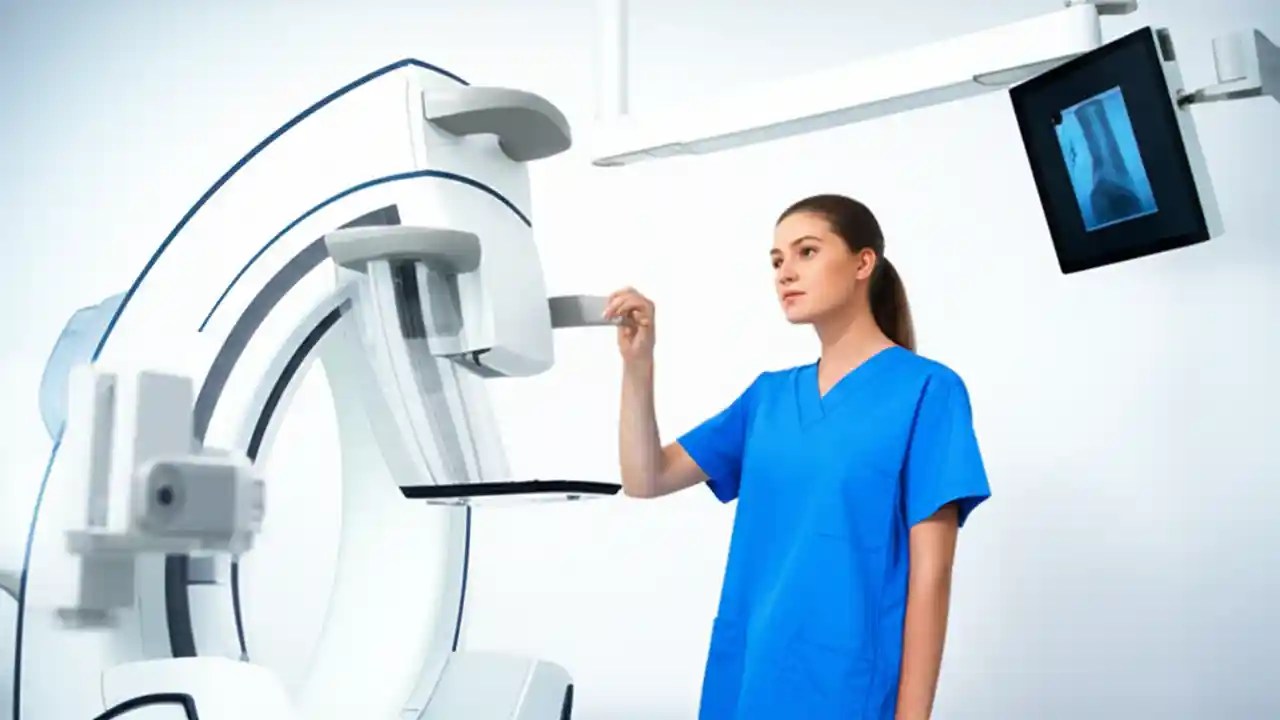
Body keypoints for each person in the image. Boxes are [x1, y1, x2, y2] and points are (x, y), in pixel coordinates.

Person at [604, 193, 991, 720]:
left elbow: (932, 575)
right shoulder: (767, 399)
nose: (785, 272)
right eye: (777, 260)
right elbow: (646, 477)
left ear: (863, 262)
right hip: (747, 680)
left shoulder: (927, 391)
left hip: (848, 689)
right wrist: (638, 364)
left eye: (806, 251)